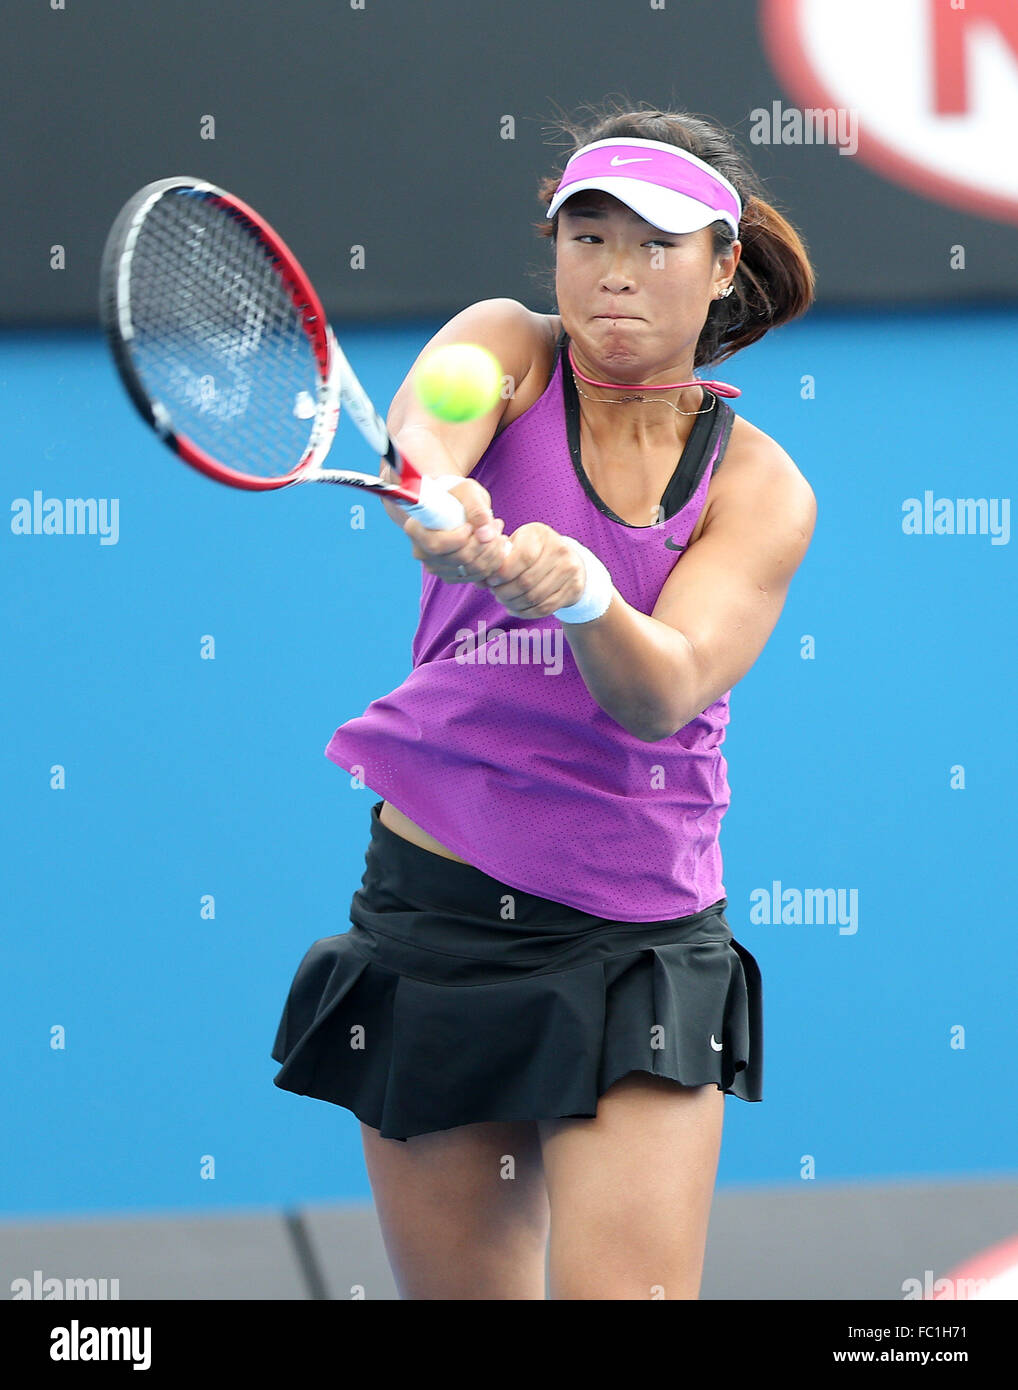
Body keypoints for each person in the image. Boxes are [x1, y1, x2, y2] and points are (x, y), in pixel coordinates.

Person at [271, 102, 817, 1300]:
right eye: (589, 237)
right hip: (436, 914)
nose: (614, 274)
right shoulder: (506, 345)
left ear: (722, 267)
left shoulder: (763, 488)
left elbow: (662, 691)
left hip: (636, 941)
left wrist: (584, 601)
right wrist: (437, 496)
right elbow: (434, 429)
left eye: (655, 244)